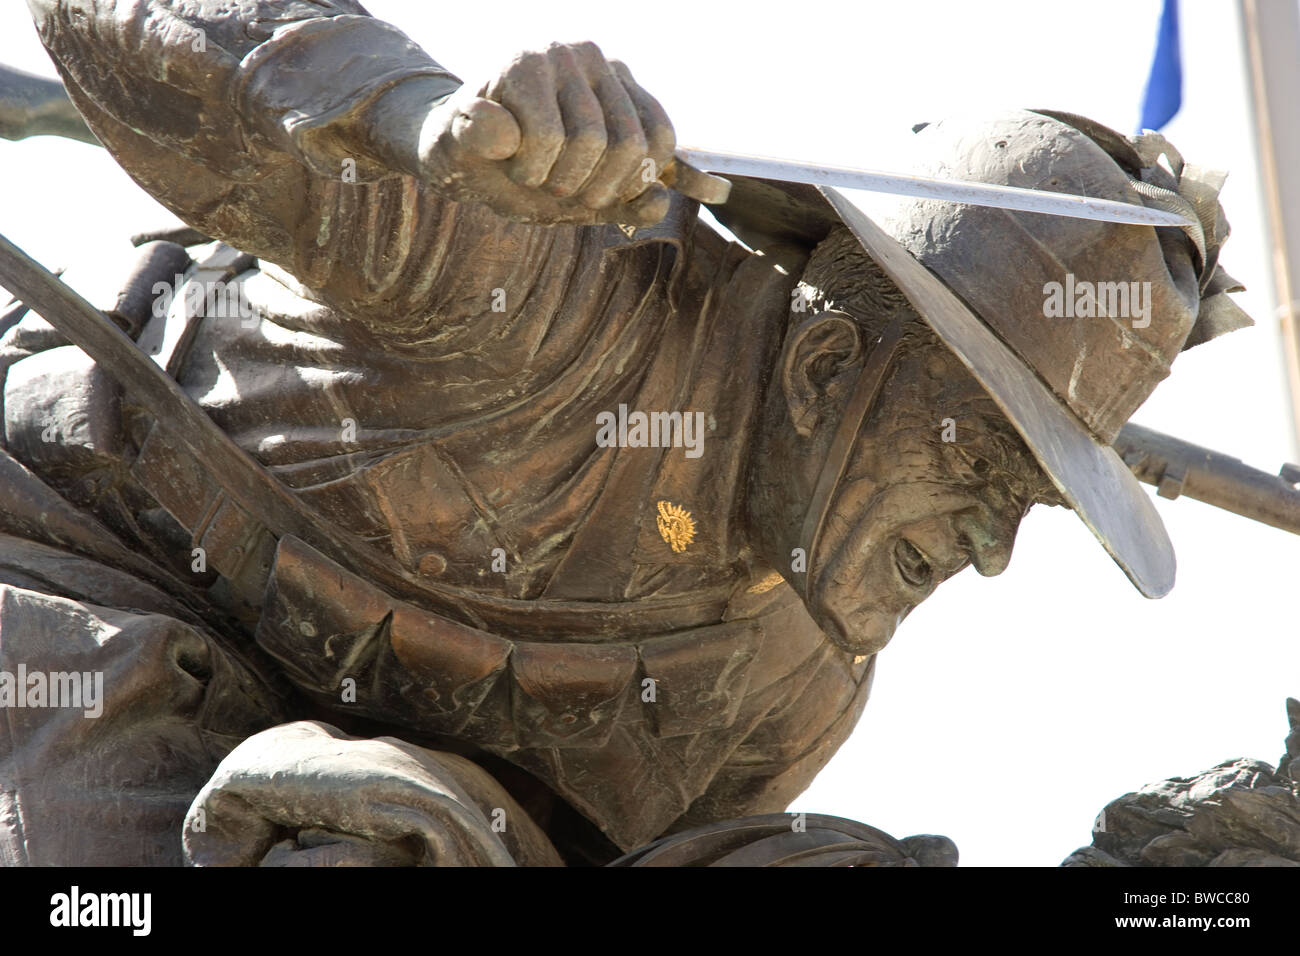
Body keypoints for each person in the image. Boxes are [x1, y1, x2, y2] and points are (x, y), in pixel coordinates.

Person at [0, 0, 1247, 865]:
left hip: (343, 794)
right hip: (82, 574)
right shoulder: (529, 295)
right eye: (982, 463)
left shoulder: (796, 679)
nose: (987, 551)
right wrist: (412, 118)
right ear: (821, 368)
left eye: (1026, 498)